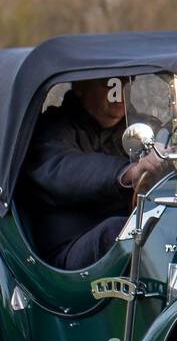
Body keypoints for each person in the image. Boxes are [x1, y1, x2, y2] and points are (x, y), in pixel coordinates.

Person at [16, 78, 167, 269]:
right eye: (108, 83)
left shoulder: (145, 128)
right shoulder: (51, 128)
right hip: (68, 248)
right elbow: (63, 169)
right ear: (81, 87)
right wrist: (129, 173)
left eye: (124, 82)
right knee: (122, 231)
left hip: (131, 228)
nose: (118, 91)